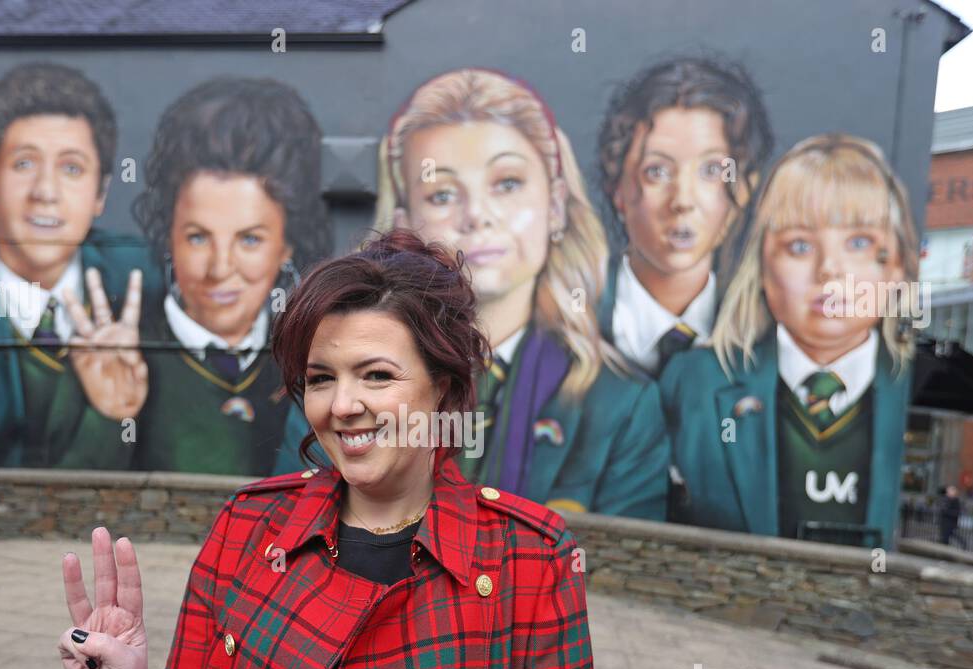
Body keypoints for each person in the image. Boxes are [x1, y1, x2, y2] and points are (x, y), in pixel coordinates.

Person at [58, 230, 600, 669]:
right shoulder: (247, 528)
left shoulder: (529, 560)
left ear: (444, 391)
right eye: (321, 378)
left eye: (377, 375)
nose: (344, 405)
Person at [274, 67, 670, 519]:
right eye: (442, 193)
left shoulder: (622, 405)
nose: (476, 215)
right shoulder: (333, 385)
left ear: (556, 205)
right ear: (403, 221)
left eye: (507, 184)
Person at [659, 134, 918, 549]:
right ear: (762, 266)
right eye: (799, 245)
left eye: (859, 243)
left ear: (898, 266)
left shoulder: (911, 386)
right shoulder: (694, 383)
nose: (829, 269)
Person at [0, 63, 154, 468]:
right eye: (23, 163)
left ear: (101, 193)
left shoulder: (150, 280)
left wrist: (115, 414)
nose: (45, 192)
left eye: (71, 168)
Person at [129, 77, 331, 476]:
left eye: (250, 239)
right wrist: (106, 415)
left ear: (286, 245)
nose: (220, 269)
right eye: (198, 237)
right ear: (168, 234)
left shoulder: (316, 357)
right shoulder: (111, 349)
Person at [594, 57, 772, 379]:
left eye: (711, 171)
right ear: (616, 187)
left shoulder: (766, 335)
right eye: (656, 171)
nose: (683, 201)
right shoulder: (566, 321)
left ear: (744, 188)